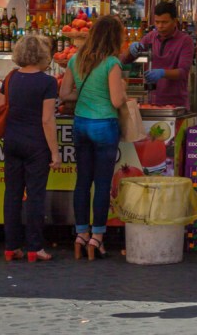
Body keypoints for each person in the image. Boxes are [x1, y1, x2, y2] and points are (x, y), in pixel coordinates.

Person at [59, 15, 127, 259]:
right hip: (104, 125)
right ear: (114, 37)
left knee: (82, 182)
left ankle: (80, 234)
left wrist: (86, 96)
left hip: (81, 124)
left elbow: (64, 93)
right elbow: (117, 100)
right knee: (101, 184)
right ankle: (97, 237)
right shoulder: (112, 63)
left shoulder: (76, 59)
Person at [0, 34, 60, 262]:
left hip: (12, 141)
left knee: (12, 194)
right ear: (44, 55)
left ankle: (11, 246)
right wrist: (55, 152)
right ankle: (35, 247)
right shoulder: (48, 82)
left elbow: (0, 106)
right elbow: (47, 120)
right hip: (36, 145)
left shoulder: (11, 78)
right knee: (35, 195)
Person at [122, 1, 195, 109]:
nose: (160, 26)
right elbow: (124, 60)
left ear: (174, 21)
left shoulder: (185, 41)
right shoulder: (150, 37)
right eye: (157, 22)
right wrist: (130, 50)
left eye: (165, 22)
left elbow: (183, 72)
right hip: (152, 101)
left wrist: (162, 73)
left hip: (177, 104)